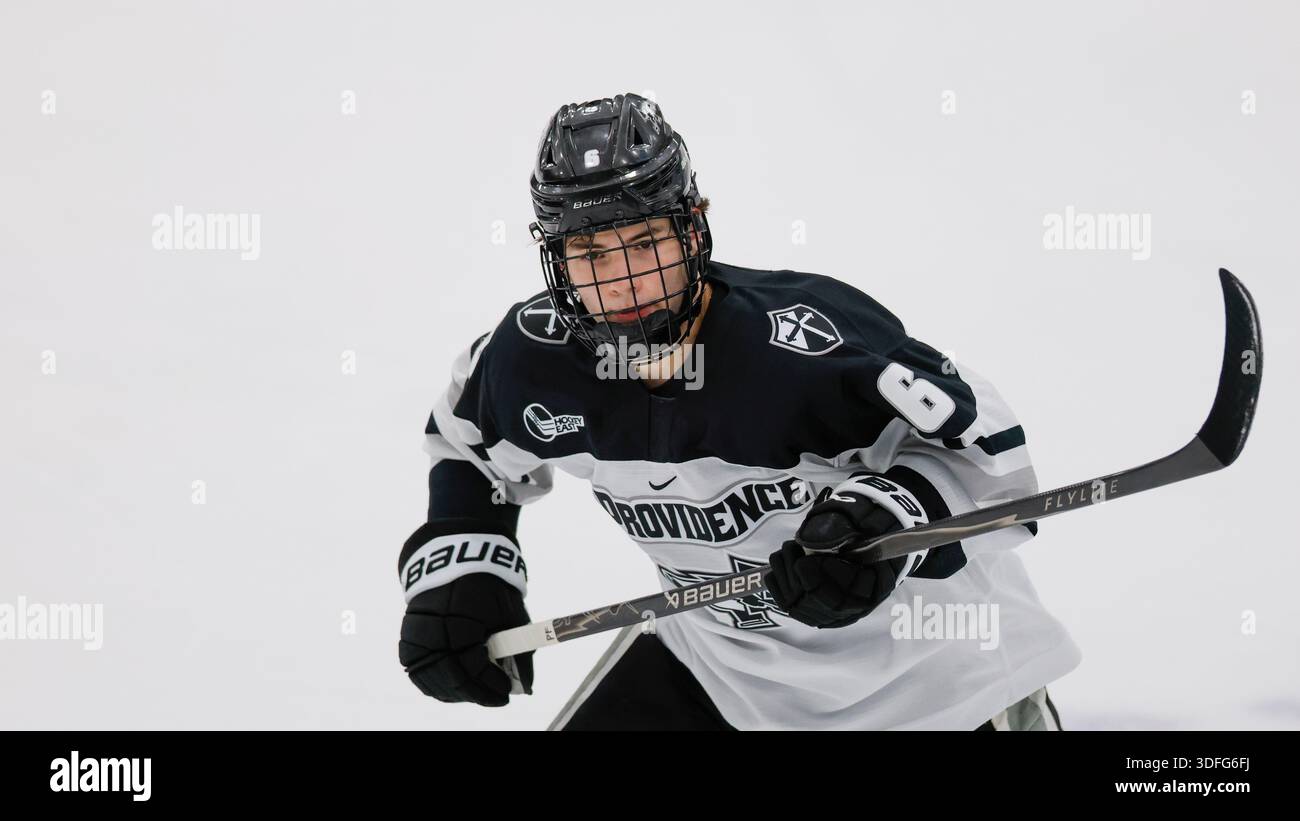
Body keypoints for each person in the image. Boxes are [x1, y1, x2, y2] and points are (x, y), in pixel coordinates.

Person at [397, 93, 1081, 730]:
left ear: (693, 230)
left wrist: (883, 515)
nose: (622, 280)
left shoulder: (804, 341)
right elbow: (465, 445)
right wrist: (466, 570)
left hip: (940, 685)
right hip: (723, 678)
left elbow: (987, 445)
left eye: (644, 242)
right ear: (557, 262)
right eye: (590, 251)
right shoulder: (531, 358)